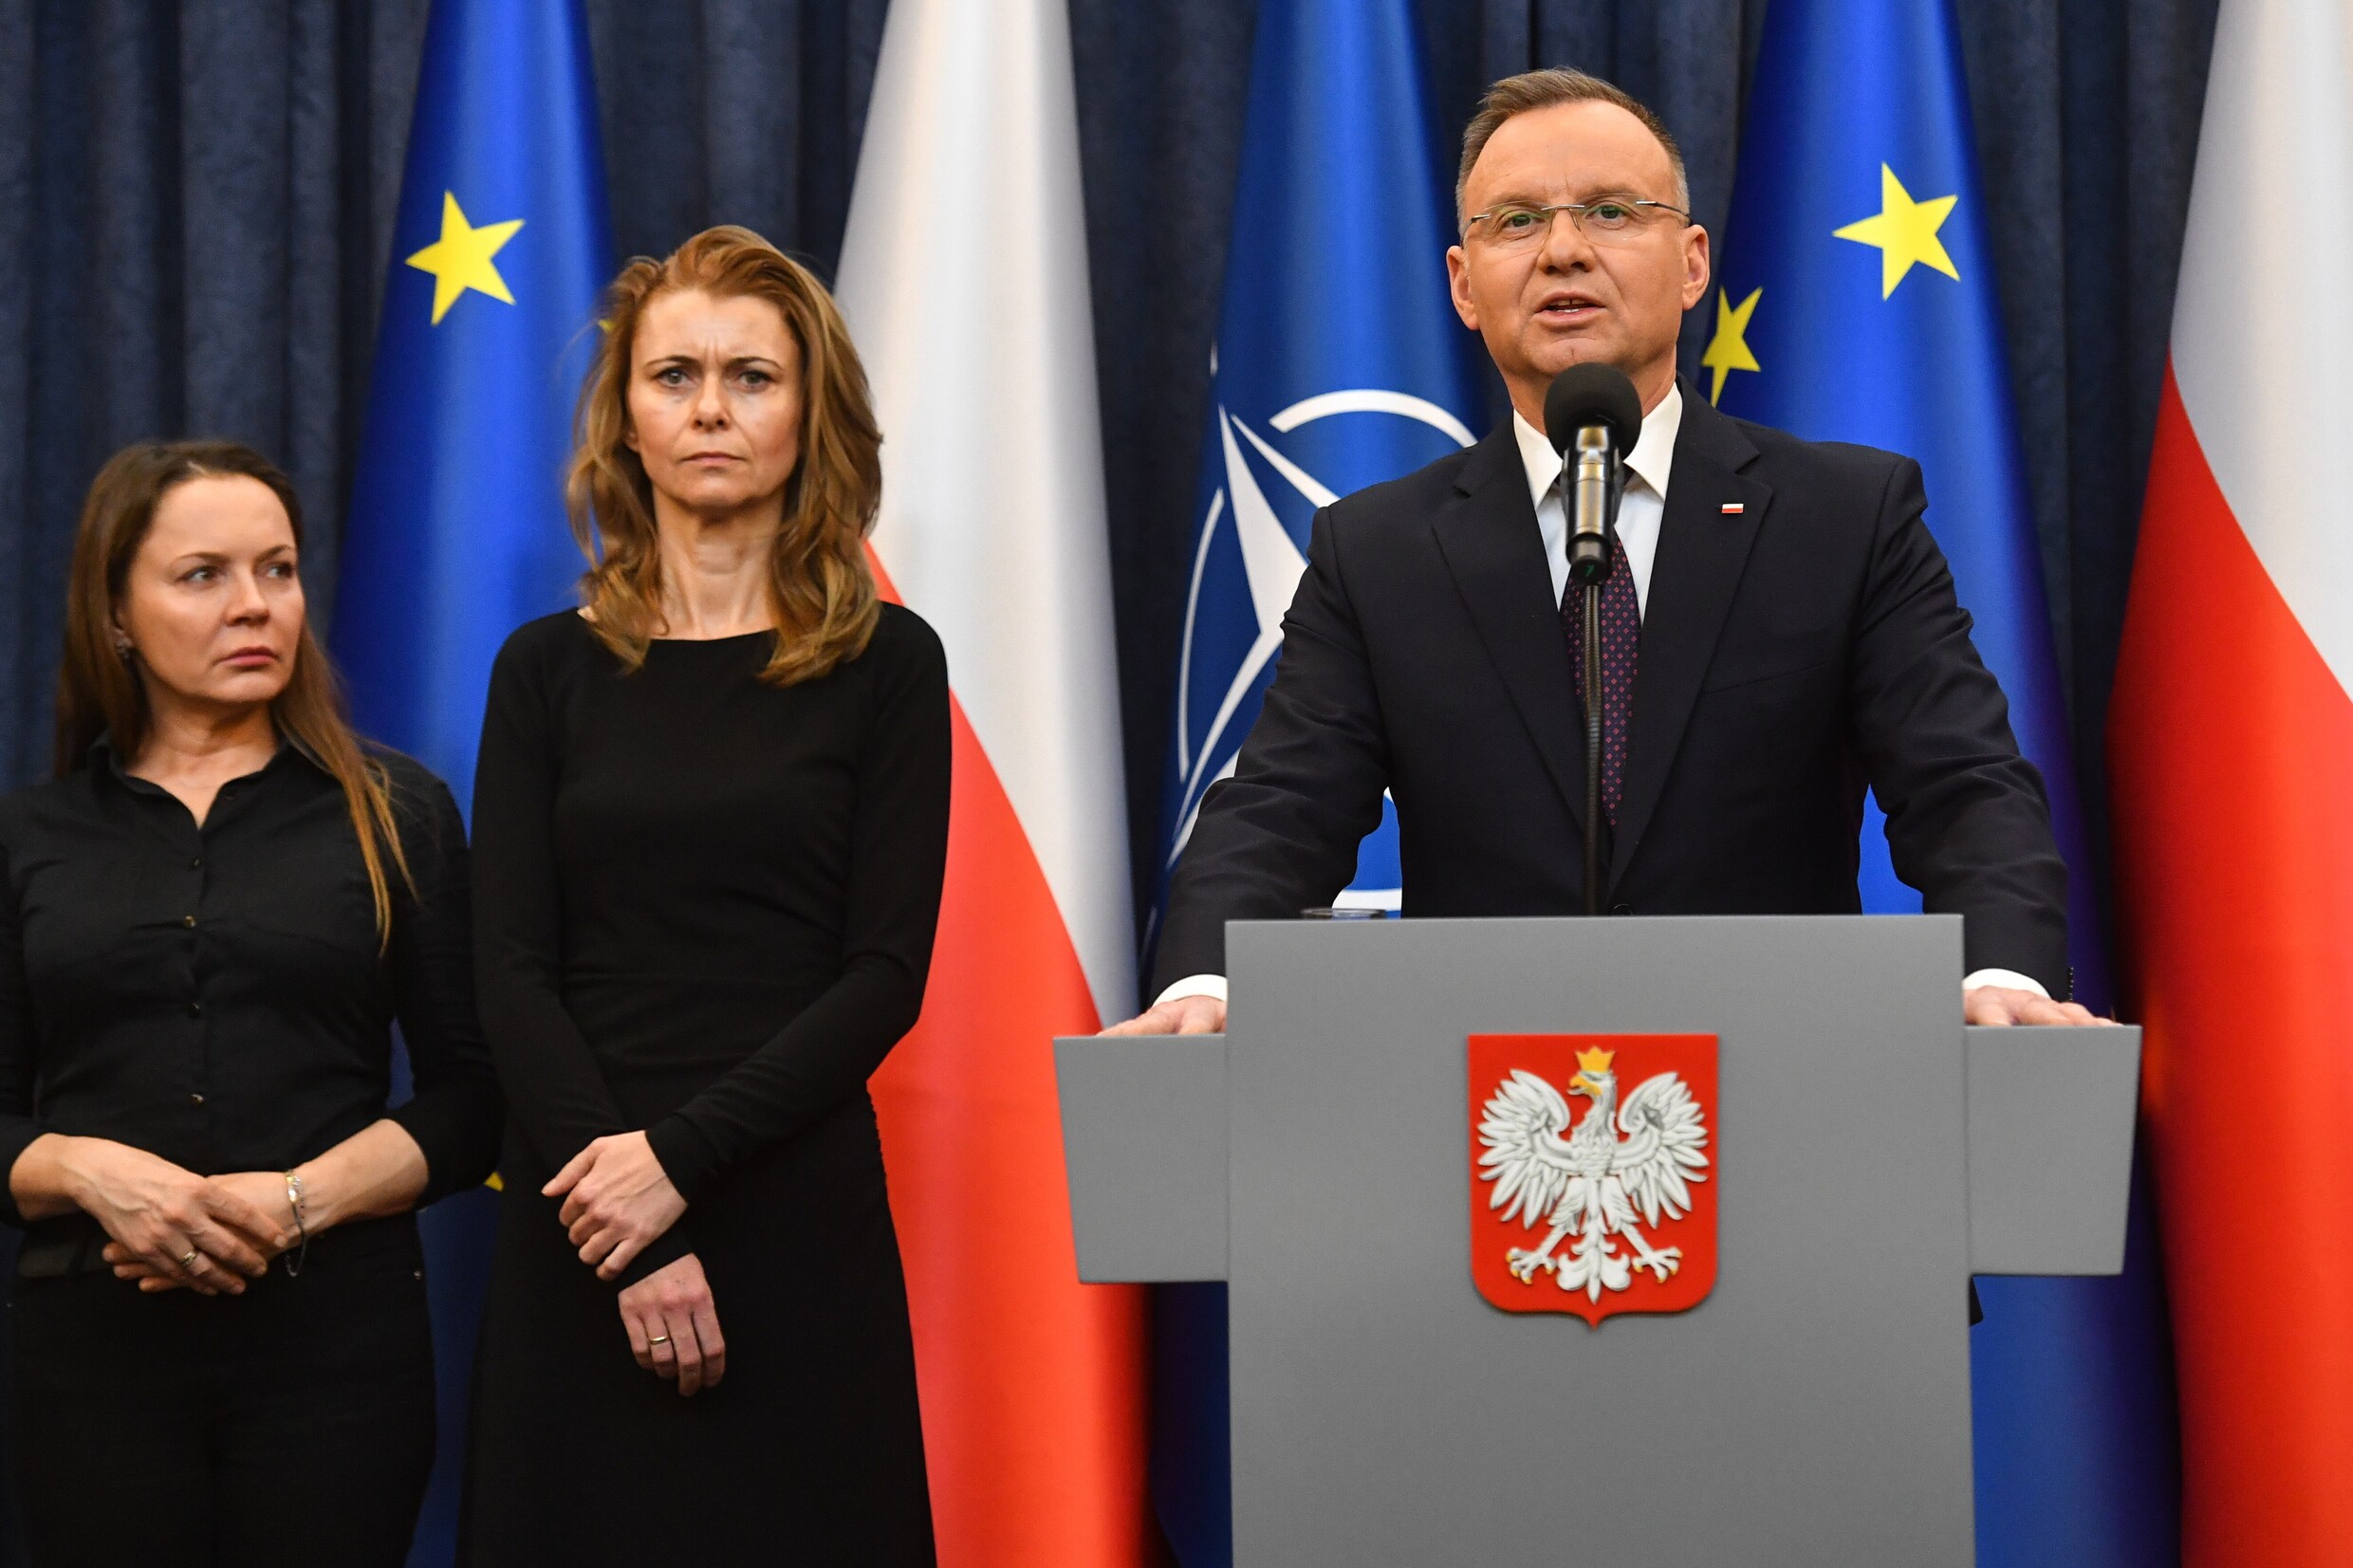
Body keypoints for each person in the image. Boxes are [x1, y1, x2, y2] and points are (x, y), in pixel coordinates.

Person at [1115, 68, 2113, 1036]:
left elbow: (1964, 785)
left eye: (1607, 211)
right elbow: (1279, 808)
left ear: (1689, 264)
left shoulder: (1843, 516)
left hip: (1783, 1082)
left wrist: (2000, 973)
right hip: (1480, 1117)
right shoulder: (1378, 551)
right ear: (1464, 286)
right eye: (1513, 221)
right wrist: (1205, 978)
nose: (1559, 251)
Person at [462, 226, 949, 1565]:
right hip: (578, 1216)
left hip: (793, 1220)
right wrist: (619, 1222)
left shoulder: (891, 666)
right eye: (675, 375)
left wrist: (675, 1164)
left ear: (813, 412)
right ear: (626, 414)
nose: (713, 410)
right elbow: (507, 968)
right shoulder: (544, 672)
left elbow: (883, 975)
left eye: (752, 375)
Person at [0, 441, 501, 1565]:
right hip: (94, 1356)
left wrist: (295, 1202)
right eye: (204, 576)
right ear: (116, 614)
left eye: (277, 571)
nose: (254, 607)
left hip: (337, 1350)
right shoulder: (27, 839)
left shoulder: (395, 812)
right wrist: (91, 1172)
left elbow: (475, 1100)